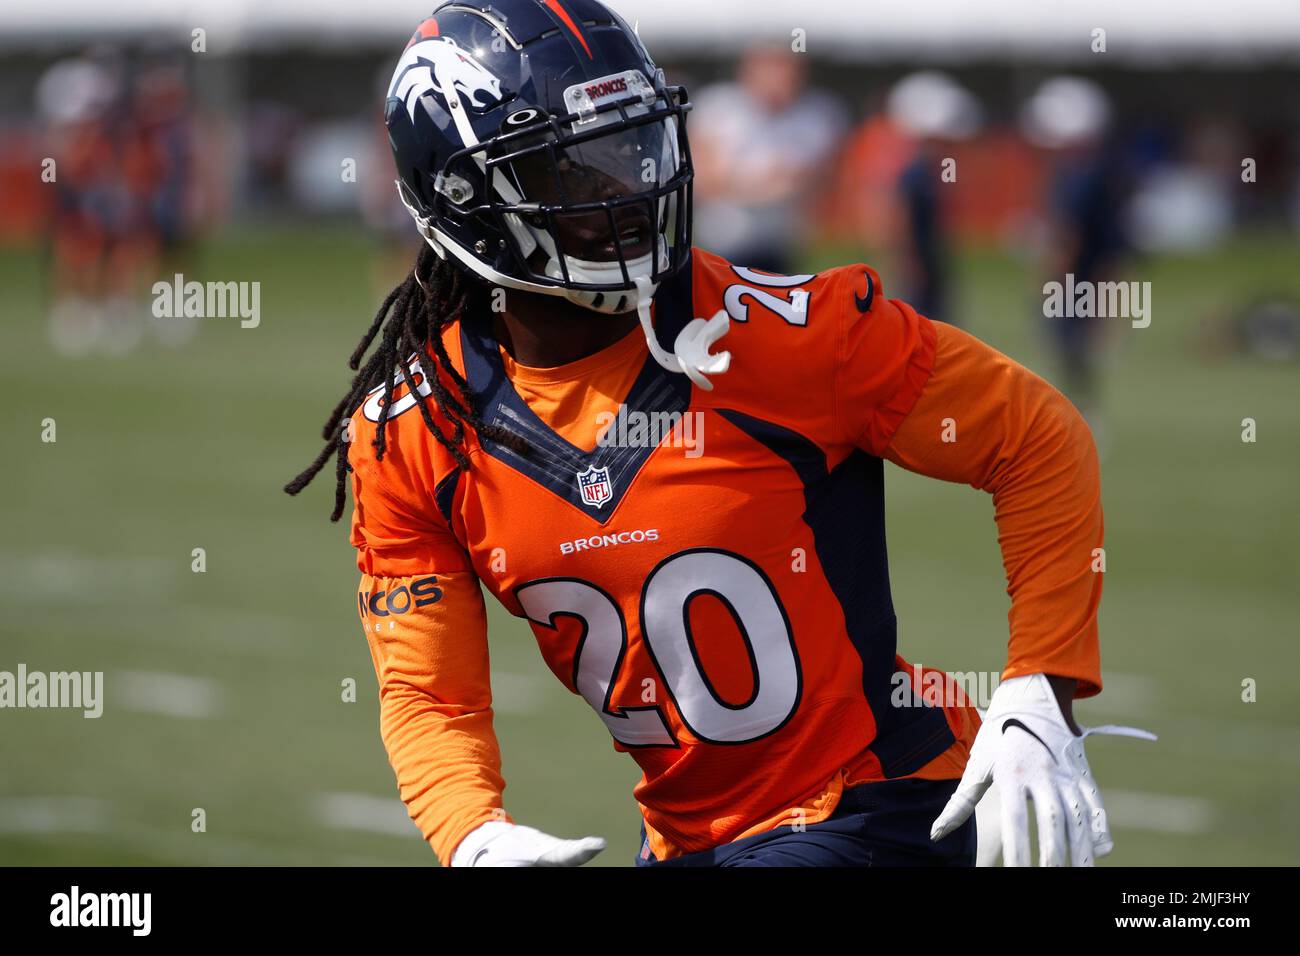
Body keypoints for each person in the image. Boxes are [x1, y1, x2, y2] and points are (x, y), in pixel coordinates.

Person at [287, 0, 1136, 867]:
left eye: (633, 145)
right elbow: (430, 696)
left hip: (877, 804)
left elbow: (1035, 436)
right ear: (466, 198)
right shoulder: (414, 432)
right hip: (694, 842)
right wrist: (471, 834)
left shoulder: (789, 335)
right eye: (578, 170)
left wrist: (1043, 678)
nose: (629, 187)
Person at [689, 43, 846, 275]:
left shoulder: (816, 115)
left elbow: (831, 180)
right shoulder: (719, 110)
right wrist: (761, 186)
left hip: (783, 241)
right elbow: (700, 179)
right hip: (727, 237)